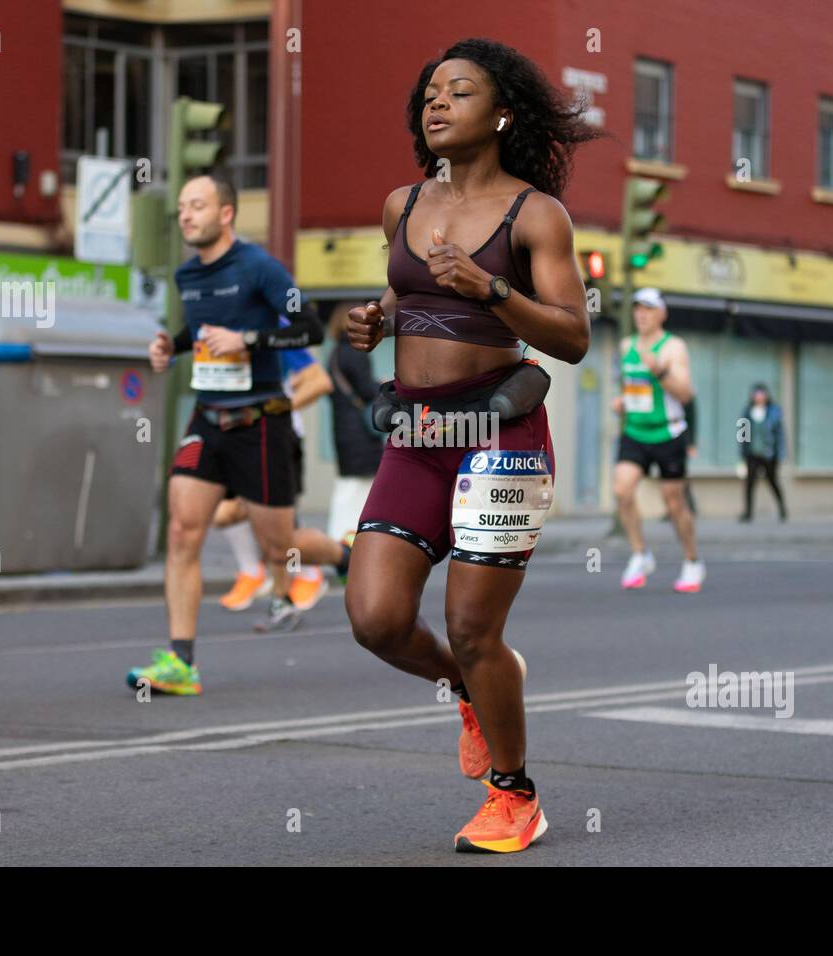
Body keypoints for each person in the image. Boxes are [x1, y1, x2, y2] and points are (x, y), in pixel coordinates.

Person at [343, 38, 597, 853]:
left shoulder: (536, 215)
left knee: (473, 626)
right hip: (418, 434)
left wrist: (491, 289)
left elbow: (573, 337)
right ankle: (465, 688)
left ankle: (514, 794)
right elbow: (407, 278)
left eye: (458, 91)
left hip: (499, 435)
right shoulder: (404, 205)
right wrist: (377, 315)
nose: (437, 102)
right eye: (429, 94)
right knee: (376, 618)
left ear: (503, 113)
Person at [127, 169, 346, 697]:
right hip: (208, 417)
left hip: (261, 421)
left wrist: (247, 338)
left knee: (281, 548)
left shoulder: (258, 268)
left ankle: (347, 558)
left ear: (226, 214)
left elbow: (310, 328)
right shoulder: (187, 277)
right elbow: (202, 331)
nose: (186, 215)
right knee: (184, 531)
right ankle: (182, 663)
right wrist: (171, 347)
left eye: (197, 205)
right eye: (182, 207)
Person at [216, 336, 336, 612]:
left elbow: (319, 381)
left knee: (279, 515)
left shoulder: (275, 327)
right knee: (226, 509)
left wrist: (272, 412)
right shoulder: (214, 321)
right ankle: (251, 572)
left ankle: (309, 573)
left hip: (278, 438)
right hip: (231, 434)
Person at [612, 288, 701, 593]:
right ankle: (641, 554)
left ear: (661, 314)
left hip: (669, 432)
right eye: (637, 308)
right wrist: (623, 401)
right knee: (622, 490)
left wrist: (660, 372)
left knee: (674, 503)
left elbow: (686, 394)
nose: (641, 314)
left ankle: (691, 560)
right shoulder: (626, 346)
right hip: (635, 431)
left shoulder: (673, 347)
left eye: (649, 309)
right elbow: (633, 387)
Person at [325, 307, 386, 547]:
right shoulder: (355, 352)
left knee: (348, 485)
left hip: (342, 427)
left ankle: (342, 540)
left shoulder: (334, 354)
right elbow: (366, 389)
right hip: (359, 431)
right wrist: (381, 385)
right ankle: (345, 541)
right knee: (359, 488)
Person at [738, 383, 786, 522]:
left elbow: (780, 435)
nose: (759, 397)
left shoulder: (774, 412)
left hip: (769, 454)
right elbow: (742, 433)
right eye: (756, 394)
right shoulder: (747, 411)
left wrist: (780, 453)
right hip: (752, 454)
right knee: (749, 484)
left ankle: (782, 509)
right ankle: (748, 512)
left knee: (773, 481)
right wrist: (742, 452)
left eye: (761, 394)